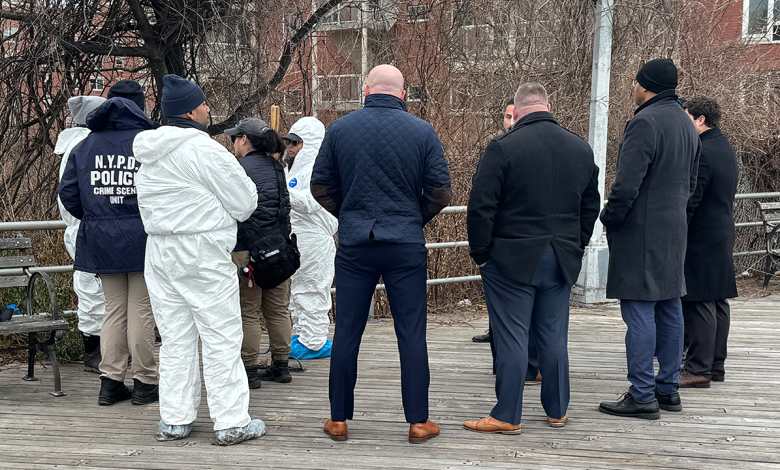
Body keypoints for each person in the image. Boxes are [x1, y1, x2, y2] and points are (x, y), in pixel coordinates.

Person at [312, 64, 452, 444]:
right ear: (403, 94)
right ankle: (418, 422)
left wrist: (350, 214)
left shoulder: (340, 129)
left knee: (346, 332)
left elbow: (319, 185)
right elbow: (441, 193)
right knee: (411, 333)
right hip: (405, 245)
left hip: (357, 245)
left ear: (366, 88)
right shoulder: (423, 132)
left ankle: (338, 420)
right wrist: (412, 218)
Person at [133, 74, 265, 445]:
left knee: (175, 338)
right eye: (204, 103)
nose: (209, 108)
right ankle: (231, 420)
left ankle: (175, 418)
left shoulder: (148, 155)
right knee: (221, 336)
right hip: (201, 250)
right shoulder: (204, 150)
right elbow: (244, 202)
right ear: (191, 111)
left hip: (159, 252)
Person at [464, 83, 600, 434]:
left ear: (518, 110)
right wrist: (576, 246)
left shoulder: (504, 148)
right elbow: (590, 206)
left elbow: (481, 207)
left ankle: (507, 415)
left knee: (512, 338)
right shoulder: (580, 148)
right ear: (548, 106)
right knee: (554, 336)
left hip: (511, 259)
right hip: (561, 258)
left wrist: (481, 254)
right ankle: (557, 409)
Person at [598, 59, 700, 419]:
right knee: (670, 307)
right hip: (674, 231)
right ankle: (667, 389)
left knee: (639, 311)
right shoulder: (687, 124)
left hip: (641, 233)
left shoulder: (645, 121)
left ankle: (642, 395)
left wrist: (609, 217)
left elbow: (627, 184)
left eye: (636, 81)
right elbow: (691, 184)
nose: (633, 87)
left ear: (647, 85)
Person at [58, 97, 159, 406]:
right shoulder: (146, 144)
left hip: (101, 240)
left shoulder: (84, 147)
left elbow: (68, 193)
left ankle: (111, 381)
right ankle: (145, 380)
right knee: (141, 309)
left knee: (114, 309)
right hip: (142, 237)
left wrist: (94, 215)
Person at [225, 117, 295, 386]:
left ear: (244, 140)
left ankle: (250, 369)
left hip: (247, 251)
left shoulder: (237, 168)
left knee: (248, 311)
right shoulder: (279, 167)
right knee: (278, 310)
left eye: (235, 138)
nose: (233, 143)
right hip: (279, 249)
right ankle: (281, 365)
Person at [679, 97, 739, 388]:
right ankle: (715, 365)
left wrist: (679, 226)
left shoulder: (703, 151)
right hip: (722, 231)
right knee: (718, 300)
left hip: (701, 235)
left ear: (700, 119)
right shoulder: (725, 146)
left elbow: (693, 197)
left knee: (699, 300)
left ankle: (697, 368)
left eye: (687, 117)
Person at [55, 95, 107, 374]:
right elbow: (70, 197)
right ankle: (95, 352)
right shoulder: (83, 147)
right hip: (87, 229)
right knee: (92, 290)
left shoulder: (80, 146)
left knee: (97, 290)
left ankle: (103, 349)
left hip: (88, 228)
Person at [283, 117, 337, 360]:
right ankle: (302, 335)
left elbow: (310, 202)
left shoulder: (321, 168)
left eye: (296, 142)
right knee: (297, 290)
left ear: (310, 143)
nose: (290, 146)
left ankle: (314, 342)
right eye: (288, 141)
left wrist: (280, 191)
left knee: (313, 289)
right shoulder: (291, 168)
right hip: (297, 237)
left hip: (315, 238)